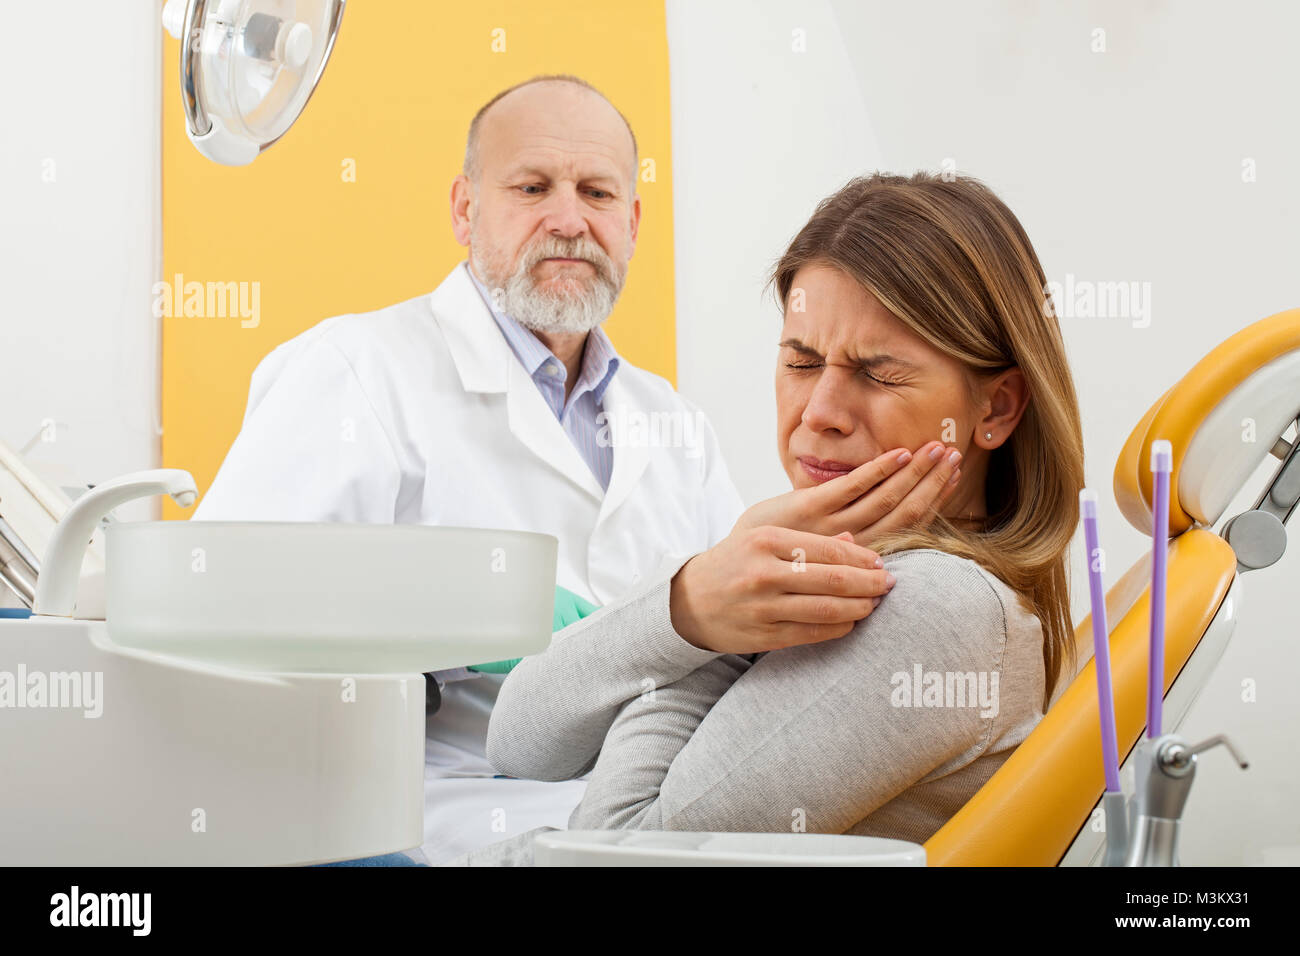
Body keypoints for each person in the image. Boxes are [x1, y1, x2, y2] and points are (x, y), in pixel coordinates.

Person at [191, 76, 954, 865]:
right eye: (531, 188)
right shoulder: (354, 370)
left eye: (596, 192)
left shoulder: (672, 423)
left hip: (636, 808)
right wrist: (431, 623)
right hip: (419, 820)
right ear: (463, 209)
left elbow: (732, 654)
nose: (568, 220)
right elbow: (220, 614)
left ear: (631, 222)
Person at [449, 171, 1087, 865]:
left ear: (995, 409)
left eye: (877, 373)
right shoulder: (850, 572)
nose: (819, 414)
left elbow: (613, 854)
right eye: (802, 362)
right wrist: (690, 605)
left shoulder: (941, 610)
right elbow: (517, 742)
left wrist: (721, 629)